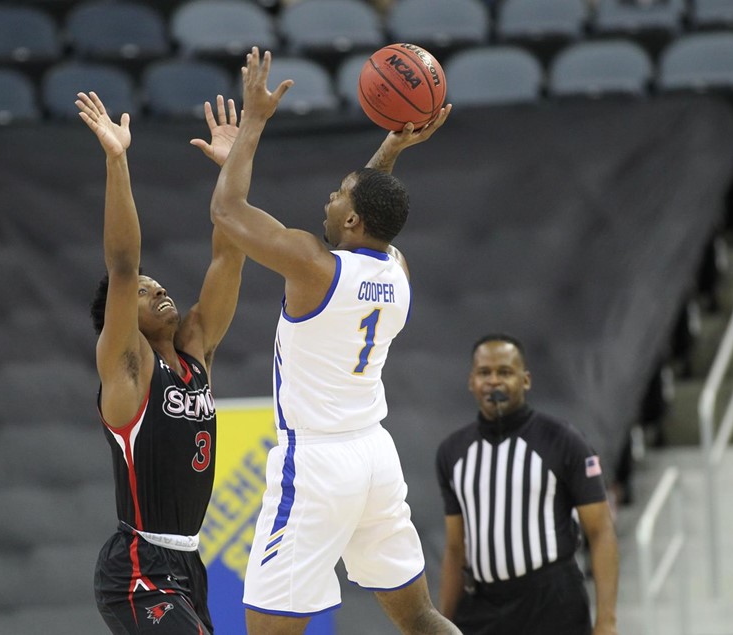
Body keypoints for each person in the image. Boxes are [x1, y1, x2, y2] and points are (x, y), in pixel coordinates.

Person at [210, 47, 458, 635]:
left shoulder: (314, 265)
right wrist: (391, 148)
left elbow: (227, 209)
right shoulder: (394, 269)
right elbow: (374, 206)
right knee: (420, 616)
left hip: (316, 464)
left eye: (339, 195)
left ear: (351, 221)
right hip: (375, 456)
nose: (330, 197)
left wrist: (254, 122)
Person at [79, 90, 246, 633]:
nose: (159, 291)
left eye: (159, 286)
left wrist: (231, 170)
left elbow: (229, 252)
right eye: (146, 294)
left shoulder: (196, 351)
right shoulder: (128, 367)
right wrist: (116, 159)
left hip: (188, 563)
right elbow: (124, 265)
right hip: (137, 567)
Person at [435, 334, 619, 635]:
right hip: (484, 605)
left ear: (526, 380)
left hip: (553, 603)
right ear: (471, 381)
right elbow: (456, 549)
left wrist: (607, 621)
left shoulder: (564, 440)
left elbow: (600, 531)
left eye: (505, 372)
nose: (494, 381)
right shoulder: (452, 452)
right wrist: (444, 622)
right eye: (485, 373)